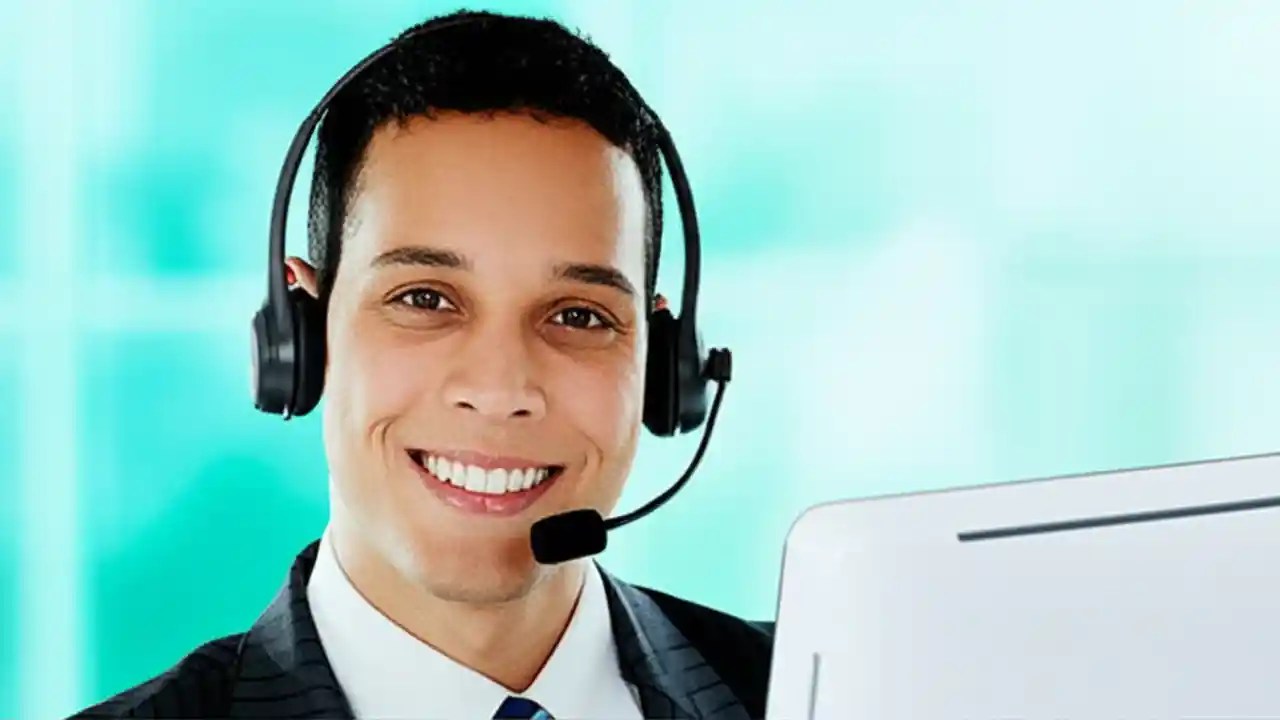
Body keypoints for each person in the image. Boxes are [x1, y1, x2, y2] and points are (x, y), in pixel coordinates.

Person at [73, 8, 773, 720]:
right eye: (426, 298)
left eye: (578, 315)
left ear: (663, 367)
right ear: (303, 336)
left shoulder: (846, 689)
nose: (500, 391)